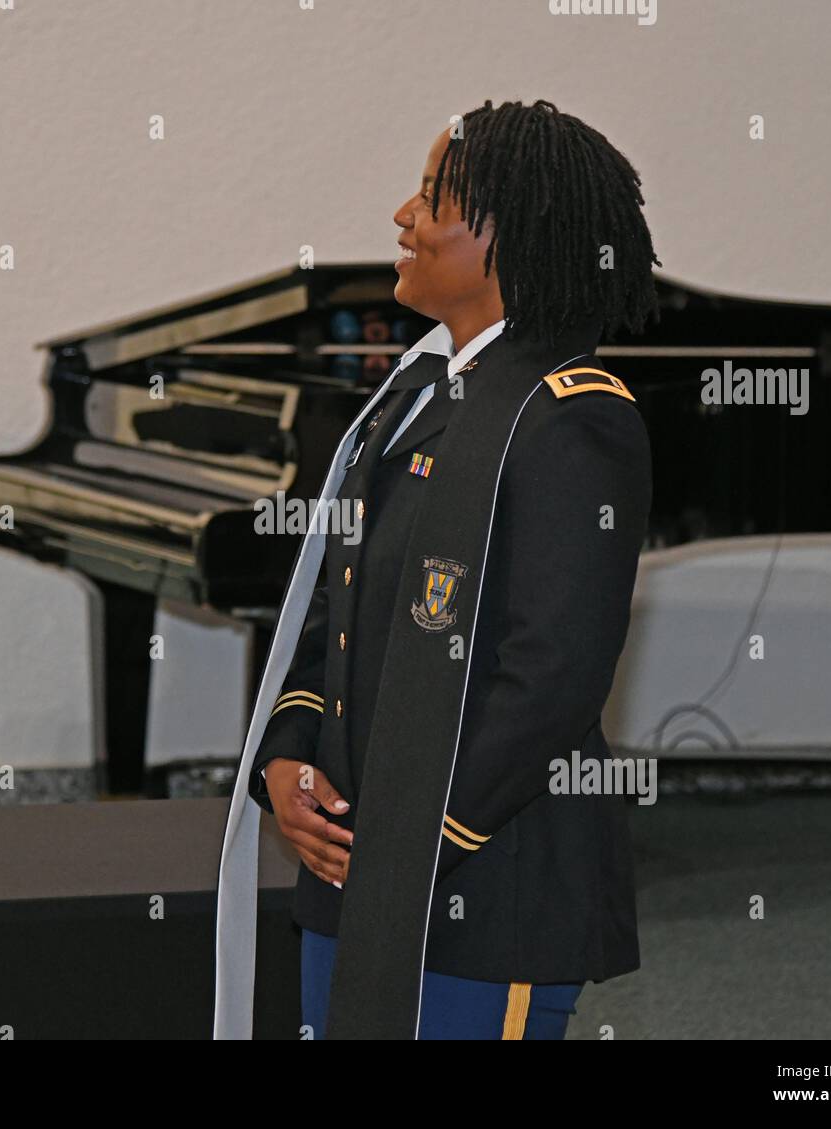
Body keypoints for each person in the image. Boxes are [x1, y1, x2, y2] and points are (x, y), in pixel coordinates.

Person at [215, 98, 659, 1040]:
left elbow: (553, 675)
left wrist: (425, 834)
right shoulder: (410, 397)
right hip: (356, 871)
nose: (402, 218)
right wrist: (289, 762)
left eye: (431, 198)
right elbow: (331, 611)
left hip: (480, 886)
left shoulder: (570, 416)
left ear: (509, 235)